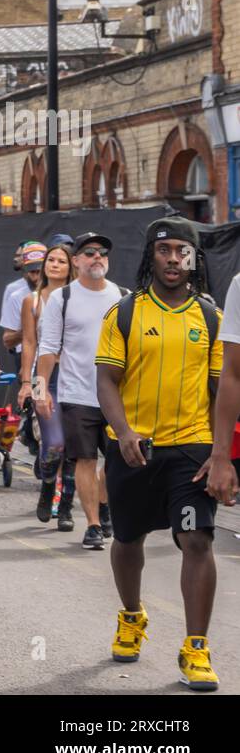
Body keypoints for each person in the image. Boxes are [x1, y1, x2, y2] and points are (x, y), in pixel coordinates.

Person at [96, 217, 223, 691]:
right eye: (165, 249)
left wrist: (222, 452)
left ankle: (196, 649)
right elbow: (106, 380)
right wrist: (123, 431)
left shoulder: (210, 318)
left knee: (198, 541)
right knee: (128, 540)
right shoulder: (124, 314)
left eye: (182, 251)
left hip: (191, 449)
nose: (174, 259)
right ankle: (132, 616)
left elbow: (219, 391)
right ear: (151, 255)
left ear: (194, 259)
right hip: (134, 449)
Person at [34, 232, 122, 548]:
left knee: (115, 461)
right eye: (89, 252)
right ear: (77, 261)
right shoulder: (63, 298)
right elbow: (46, 347)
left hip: (116, 396)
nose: (97, 257)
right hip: (76, 393)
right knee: (84, 459)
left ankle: (104, 504)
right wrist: (39, 389)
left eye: (102, 252)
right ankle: (94, 525)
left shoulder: (122, 297)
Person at [17, 243, 76, 525]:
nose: (54, 264)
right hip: (44, 376)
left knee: (76, 445)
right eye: (50, 260)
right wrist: (26, 382)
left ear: (70, 267)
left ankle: (65, 507)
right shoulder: (33, 300)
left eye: (61, 261)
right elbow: (29, 342)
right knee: (53, 442)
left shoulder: (78, 297)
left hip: (76, 376)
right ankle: (48, 485)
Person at [0, 241, 46, 375]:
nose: (36, 276)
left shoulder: (61, 293)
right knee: (37, 394)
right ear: (24, 271)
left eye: (40, 271)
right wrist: (30, 328)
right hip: (27, 360)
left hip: (57, 361)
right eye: (32, 271)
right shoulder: (17, 296)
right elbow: (7, 340)